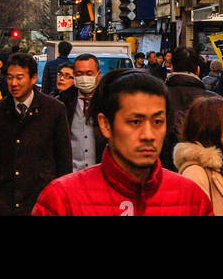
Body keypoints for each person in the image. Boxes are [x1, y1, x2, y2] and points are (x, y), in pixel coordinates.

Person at [32, 72, 212, 217]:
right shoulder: (61, 200)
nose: (148, 135)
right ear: (105, 125)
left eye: (157, 122)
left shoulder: (192, 199)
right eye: (135, 122)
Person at [0, 51, 72, 215]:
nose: (13, 83)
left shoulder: (54, 110)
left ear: (33, 78)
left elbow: (63, 159)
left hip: (41, 199)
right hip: (5, 201)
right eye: (9, 77)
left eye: (19, 77)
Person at [160, 46, 206, 170]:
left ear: (172, 68)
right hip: (203, 169)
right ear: (198, 70)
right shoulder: (212, 101)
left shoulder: (158, 98)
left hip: (165, 167)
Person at [58, 52, 106, 170]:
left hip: (100, 173)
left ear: (98, 75)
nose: (84, 77)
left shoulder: (107, 102)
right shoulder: (63, 103)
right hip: (71, 175)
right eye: (80, 74)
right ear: (74, 75)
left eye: (89, 73)